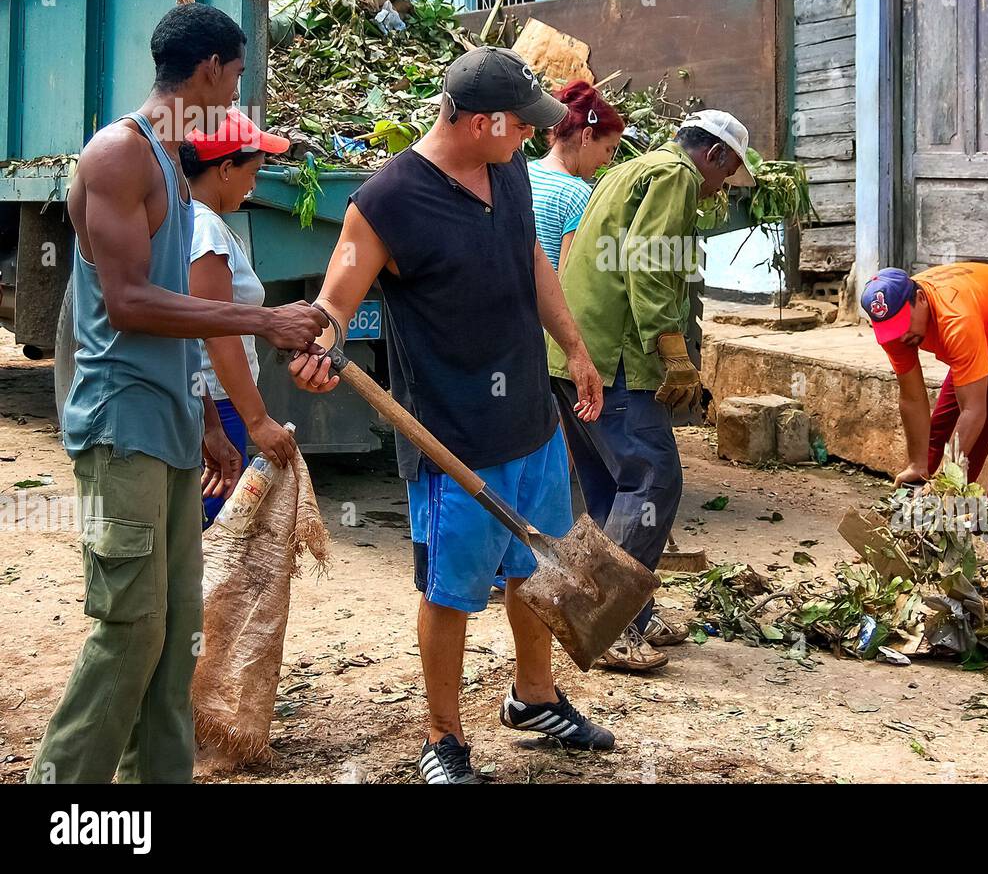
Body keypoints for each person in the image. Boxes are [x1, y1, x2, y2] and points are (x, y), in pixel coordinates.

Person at [289, 46, 613, 785]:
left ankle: (534, 699)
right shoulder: (387, 201)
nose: (531, 137)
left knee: (536, 569)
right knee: (451, 590)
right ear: (474, 121)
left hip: (531, 417)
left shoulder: (509, 172)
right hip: (453, 441)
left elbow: (531, 258)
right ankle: (442, 739)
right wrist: (319, 346)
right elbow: (337, 303)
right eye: (518, 125)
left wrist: (575, 348)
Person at [28, 3, 326, 785]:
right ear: (208, 72)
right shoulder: (119, 155)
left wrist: (202, 414)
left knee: (174, 633)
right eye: (235, 76)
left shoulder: (170, 164)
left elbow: (167, 306)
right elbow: (127, 302)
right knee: (128, 630)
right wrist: (261, 319)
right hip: (119, 427)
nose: (236, 93)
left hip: (165, 424)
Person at [549, 109, 757, 672]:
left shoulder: (627, 170)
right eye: (726, 172)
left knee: (609, 489)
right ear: (713, 154)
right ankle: (604, 623)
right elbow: (650, 268)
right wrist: (673, 353)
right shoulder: (675, 177)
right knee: (652, 477)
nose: (719, 188)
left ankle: (623, 613)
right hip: (616, 361)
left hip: (575, 357)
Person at [860, 262, 988, 592]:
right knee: (935, 444)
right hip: (987, 340)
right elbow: (912, 399)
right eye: (890, 330)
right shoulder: (893, 323)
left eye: (903, 325)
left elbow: (974, 411)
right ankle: (922, 545)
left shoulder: (956, 320)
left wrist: (945, 480)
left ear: (920, 299)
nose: (900, 336)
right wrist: (918, 466)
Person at [184, 109, 297, 527]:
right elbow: (217, 331)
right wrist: (257, 420)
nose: (254, 185)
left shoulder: (195, 223)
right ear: (226, 169)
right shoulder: (206, 231)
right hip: (217, 401)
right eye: (253, 172)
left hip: (213, 398)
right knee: (217, 533)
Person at [527, 79, 624, 272]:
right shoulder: (576, 194)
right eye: (608, 149)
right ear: (587, 135)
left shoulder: (524, 173)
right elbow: (569, 279)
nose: (608, 160)